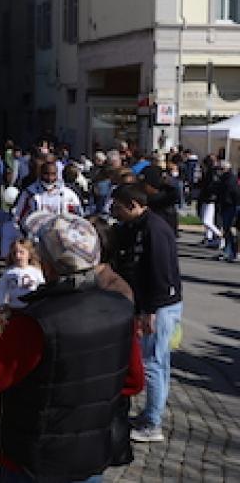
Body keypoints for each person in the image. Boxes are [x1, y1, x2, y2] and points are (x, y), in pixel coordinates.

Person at [0, 212, 143, 482]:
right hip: (91, 453)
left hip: (34, 456)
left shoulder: (36, 321)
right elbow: (134, 381)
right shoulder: (121, 311)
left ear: (47, 265)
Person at [110, 185, 183, 443]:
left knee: (153, 363)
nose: (114, 211)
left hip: (160, 305)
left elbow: (160, 273)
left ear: (132, 205)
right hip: (154, 304)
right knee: (157, 362)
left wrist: (150, 310)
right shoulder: (139, 227)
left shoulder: (154, 229)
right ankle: (151, 415)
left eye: (118, 206)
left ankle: (153, 423)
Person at [13, 160, 84, 224]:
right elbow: (17, 218)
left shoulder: (68, 195)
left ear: (57, 174)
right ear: (40, 173)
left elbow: (79, 218)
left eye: (53, 174)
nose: (50, 178)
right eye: (46, 174)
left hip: (60, 235)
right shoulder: (30, 193)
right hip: (35, 236)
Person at [0, 238, 43, 309]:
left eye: (21, 252)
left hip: (32, 309)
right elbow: (1, 289)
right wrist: (1, 303)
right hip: (14, 307)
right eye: (14, 253)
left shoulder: (36, 271)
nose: (17, 256)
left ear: (29, 254)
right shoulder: (9, 272)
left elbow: (42, 288)